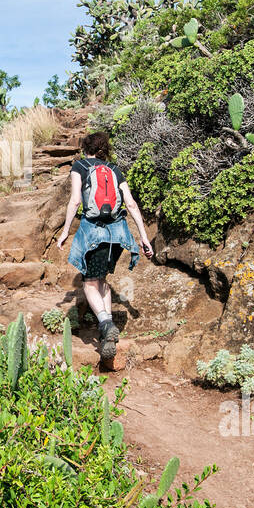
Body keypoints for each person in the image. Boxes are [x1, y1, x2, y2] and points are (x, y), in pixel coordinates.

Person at [55, 131, 154, 360]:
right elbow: (131, 204)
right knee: (102, 281)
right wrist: (144, 237)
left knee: (90, 283)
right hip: (118, 235)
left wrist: (65, 231)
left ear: (85, 148)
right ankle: (107, 336)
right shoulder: (114, 169)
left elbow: (75, 201)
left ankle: (106, 324)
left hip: (93, 233)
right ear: (104, 149)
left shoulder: (80, 166)